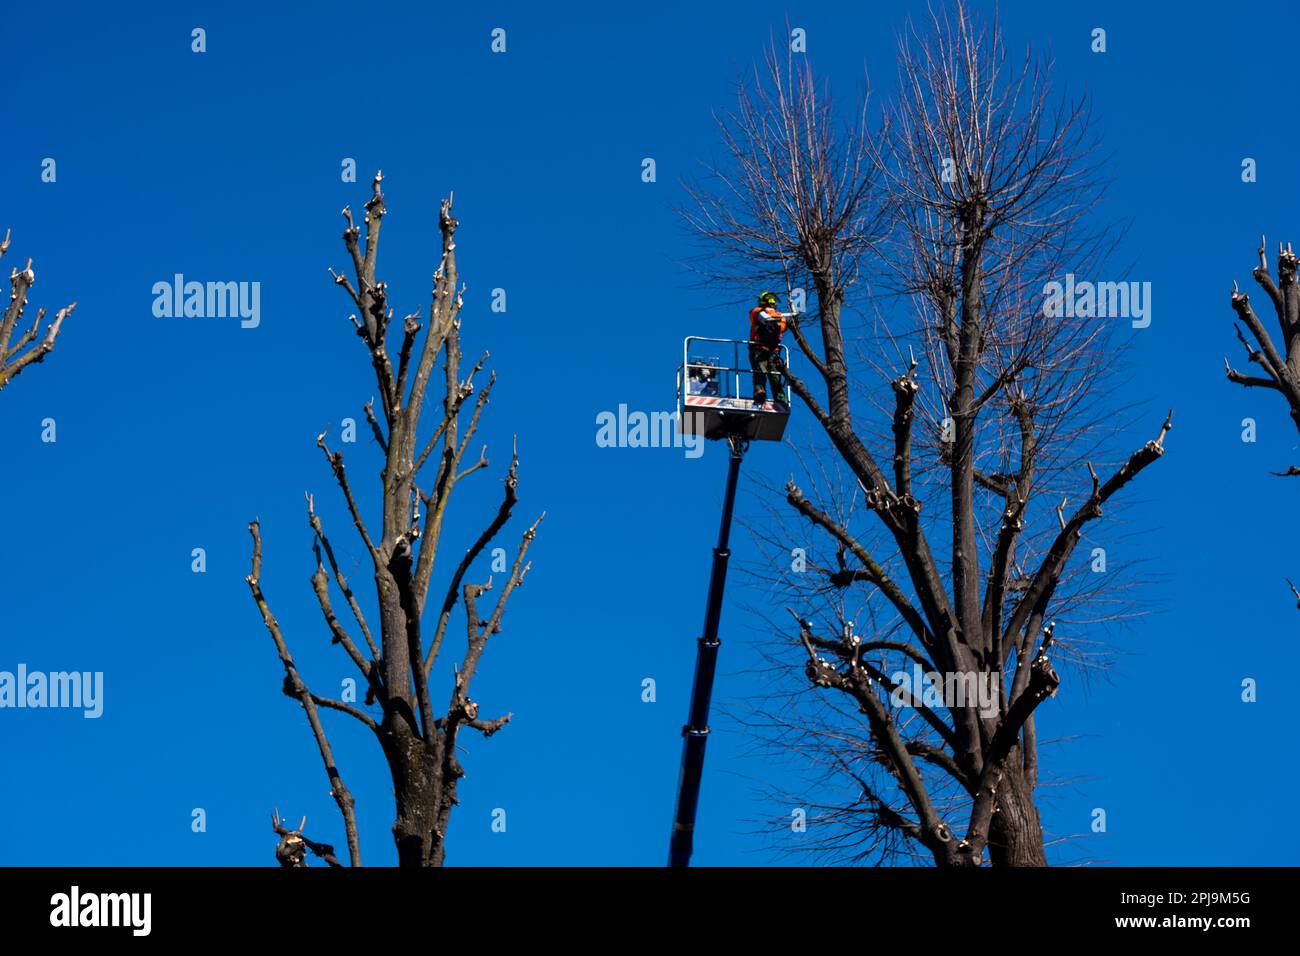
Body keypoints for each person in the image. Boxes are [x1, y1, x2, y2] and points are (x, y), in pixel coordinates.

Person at [748, 291, 795, 406]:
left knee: (774, 375)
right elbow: (764, 318)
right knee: (760, 372)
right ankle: (760, 393)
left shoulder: (780, 316)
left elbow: (792, 319)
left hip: (772, 351)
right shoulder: (757, 312)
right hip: (759, 349)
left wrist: (792, 308)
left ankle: (780, 398)